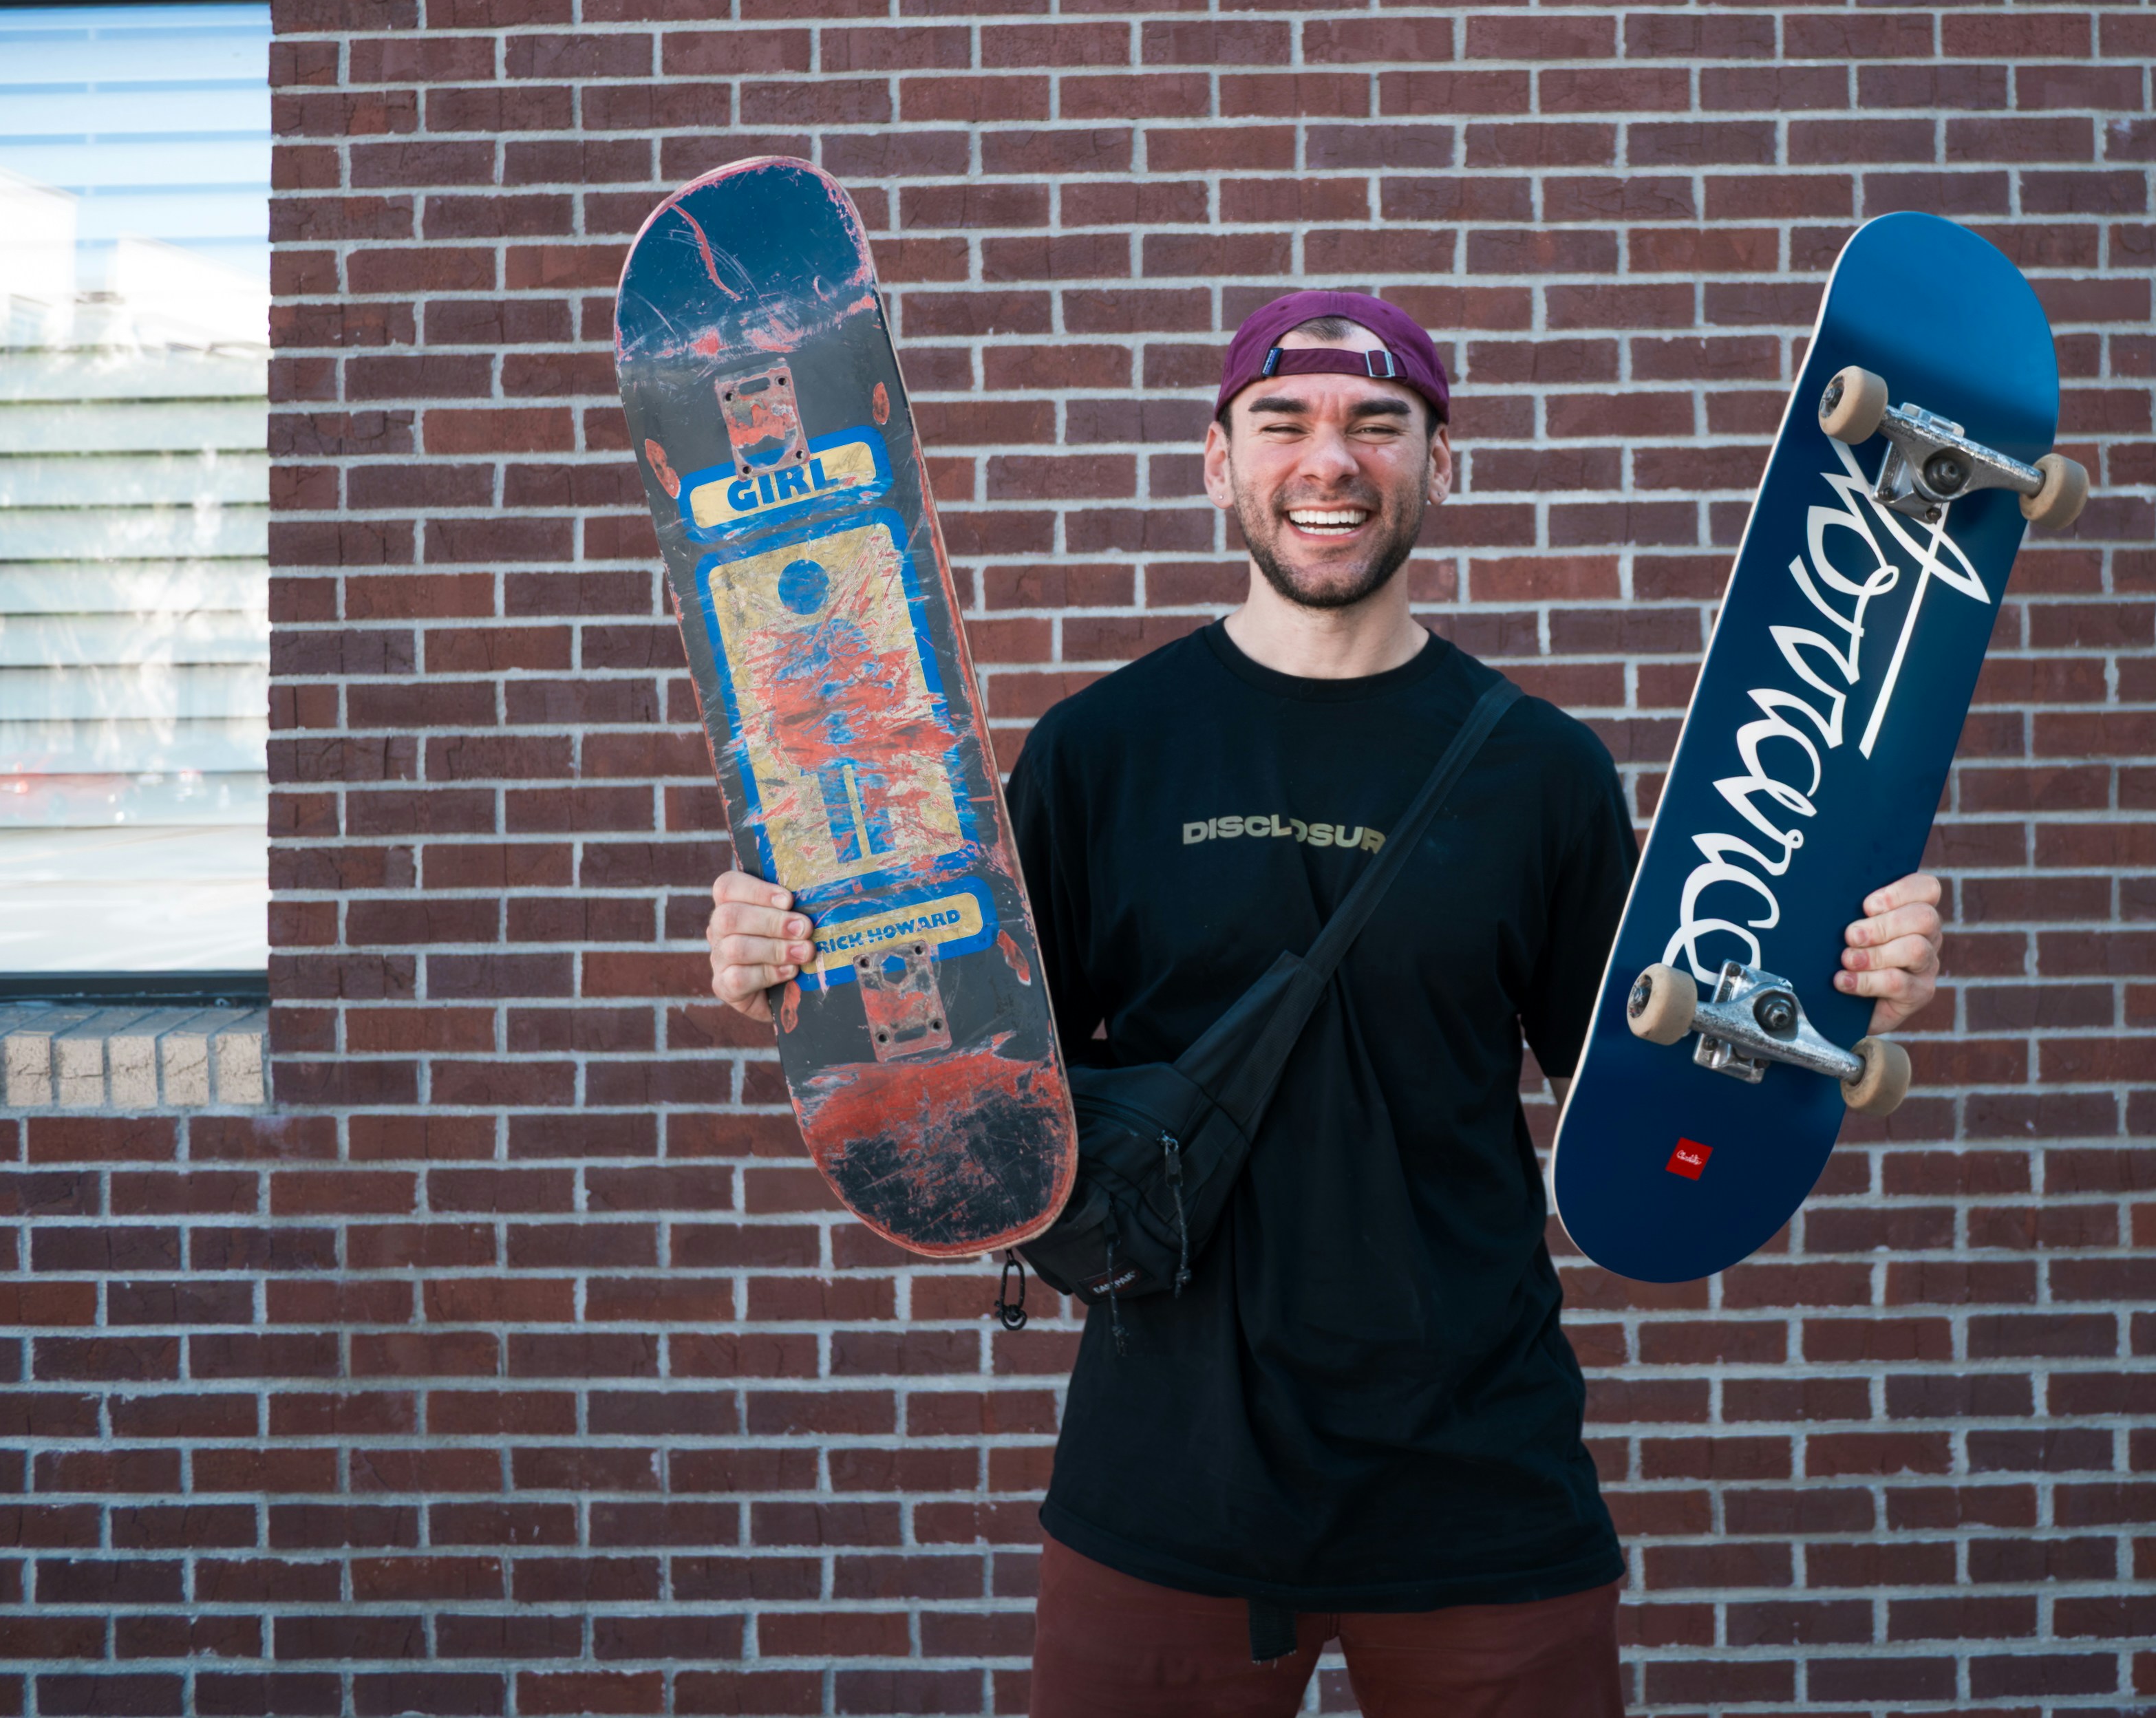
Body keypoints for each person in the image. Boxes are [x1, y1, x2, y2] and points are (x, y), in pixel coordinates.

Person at [705, 292, 1947, 1717]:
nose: (1330, 460)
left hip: (1479, 1480)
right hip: (1167, 1476)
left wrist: (1843, 996)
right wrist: (794, 982)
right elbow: (964, 1050)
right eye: (1282, 422)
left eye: (1378, 424)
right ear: (1216, 461)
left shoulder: (1542, 773)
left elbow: (1644, 1080)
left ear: (1440, 463)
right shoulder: (1100, 754)